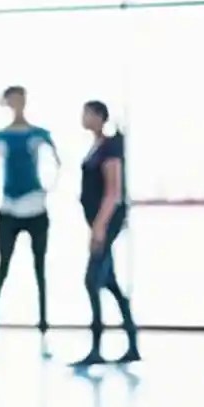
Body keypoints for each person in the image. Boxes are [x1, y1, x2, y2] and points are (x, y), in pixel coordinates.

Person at [0, 85, 60, 334]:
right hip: (9, 208)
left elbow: (57, 163)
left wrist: (47, 190)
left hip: (35, 207)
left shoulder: (40, 134)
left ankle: (44, 324)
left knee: (40, 270)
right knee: (3, 267)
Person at [71, 100, 139, 367]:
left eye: (87, 112)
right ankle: (132, 342)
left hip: (106, 223)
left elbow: (113, 191)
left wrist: (99, 227)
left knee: (92, 281)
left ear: (99, 116)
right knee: (109, 283)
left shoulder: (110, 148)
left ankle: (97, 346)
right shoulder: (96, 146)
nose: (83, 117)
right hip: (96, 222)